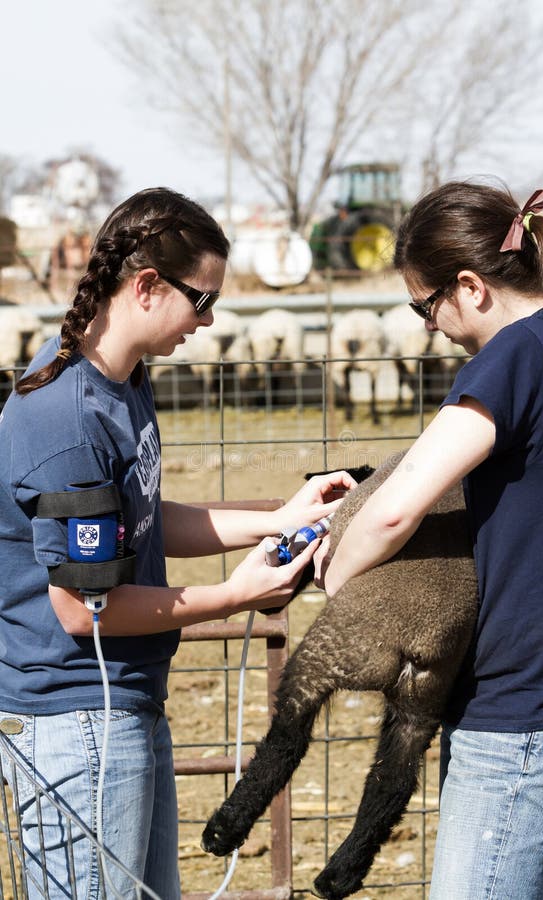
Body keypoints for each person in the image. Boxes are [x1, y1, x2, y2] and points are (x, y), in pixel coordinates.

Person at [0, 186, 355, 900]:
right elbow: (84, 608)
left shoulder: (122, 382)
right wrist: (235, 595)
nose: (212, 318)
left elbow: (139, 520)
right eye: (203, 299)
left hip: (124, 707)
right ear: (147, 286)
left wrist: (277, 519)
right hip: (77, 723)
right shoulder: (65, 420)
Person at [322, 181, 543, 899]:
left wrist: (334, 570)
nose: (430, 327)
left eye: (425, 307)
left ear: (470, 286)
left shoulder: (513, 359)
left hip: (523, 719)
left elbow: (394, 507)